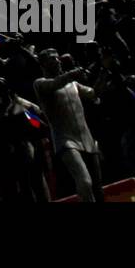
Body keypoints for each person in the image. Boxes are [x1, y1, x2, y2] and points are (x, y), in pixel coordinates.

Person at [32, 49, 104, 202]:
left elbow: (93, 93)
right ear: (43, 64)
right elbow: (54, 84)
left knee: (98, 187)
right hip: (66, 140)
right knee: (85, 182)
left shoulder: (73, 84)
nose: (57, 61)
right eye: (52, 59)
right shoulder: (40, 84)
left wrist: (104, 70)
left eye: (57, 58)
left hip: (87, 139)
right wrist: (73, 73)